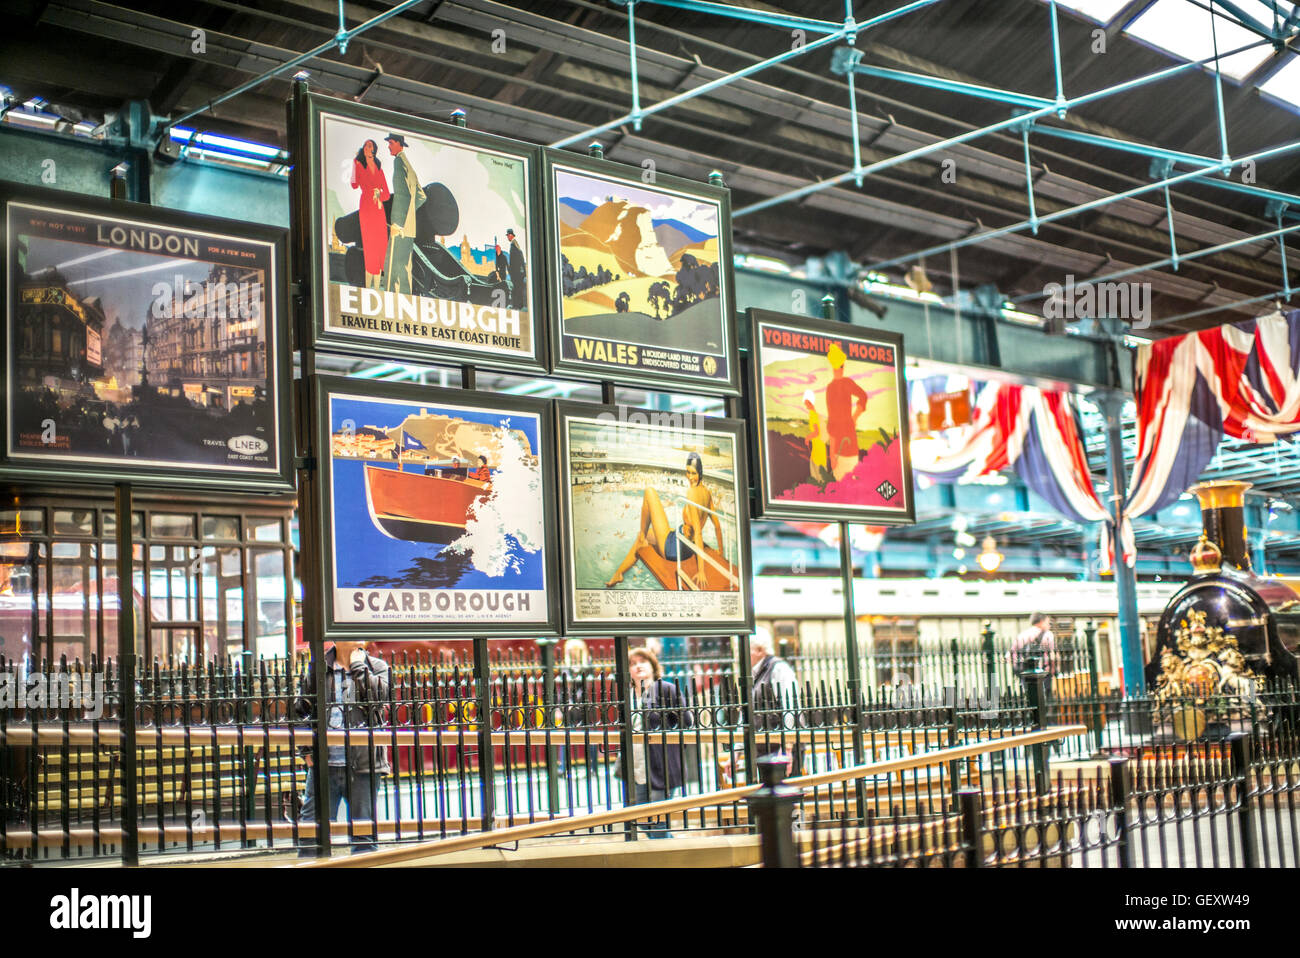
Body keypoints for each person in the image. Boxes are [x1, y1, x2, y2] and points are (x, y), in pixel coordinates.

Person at [295, 640, 391, 855]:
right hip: (323, 763)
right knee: (312, 833)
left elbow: (381, 699)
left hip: (363, 764)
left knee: (363, 834)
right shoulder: (319, 668)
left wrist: (358, 668)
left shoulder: (376, 667)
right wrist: (307, 752)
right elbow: (301, 710)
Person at [605, 452, 725, 591]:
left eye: (694, 473)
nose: (690, 477)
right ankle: (619, 574)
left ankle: (642, 537)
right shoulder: (707, 493)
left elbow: (697, 533)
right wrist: (721, 551)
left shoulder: (692, 493)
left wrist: (701, 571)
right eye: (688, 472)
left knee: (649, 492)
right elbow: (716, 525)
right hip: (682, 544)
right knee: (644, 537)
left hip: (674, 549)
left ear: (700, 473)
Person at [627, 647, 689, 838]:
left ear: (653, 666)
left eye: (642, 661)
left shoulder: (666, 689)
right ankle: (670, 848)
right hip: (636, 766)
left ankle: (667, 854)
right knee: (640, 818)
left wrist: (669, 746)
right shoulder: (627, 694)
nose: (638, 666)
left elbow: (685, 721)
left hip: (661, 765)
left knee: (658, 820)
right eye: (632, 663)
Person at [750, 626, 800, 774]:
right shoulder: (756, 672)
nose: (740, 654)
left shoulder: (779, 668)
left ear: (760, 650)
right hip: (765, 748)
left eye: (747, 649)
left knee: (788, 793)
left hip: (779, 749)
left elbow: (790, 706)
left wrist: (787, 747)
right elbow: (749, 711)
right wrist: (738, 751)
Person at [382, 133, 426, 295]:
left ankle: (389, 302)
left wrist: (400, 223)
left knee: (392, 266)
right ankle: (405, 300)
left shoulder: (399, 162)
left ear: (399, 144)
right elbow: (421, 196)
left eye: (391, 143)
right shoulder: (408, 165)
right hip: (409, 228)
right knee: (404, 267)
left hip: (399, 226)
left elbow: (406, 195)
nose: (388, 146)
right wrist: (409, 218)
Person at [823, 342, 868, 480]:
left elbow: (863, 396)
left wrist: (855, 416)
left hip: (848, 445)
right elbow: (832, 422)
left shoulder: (842, 384)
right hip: (841, 448)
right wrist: (832, 455)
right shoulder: (832, 387)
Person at [351, 139, 391, 289]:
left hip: (378, 210)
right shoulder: (359, 164)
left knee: (380, 245)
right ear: (364, 149)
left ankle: (378, 286)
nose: (370, 149)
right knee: (370, 246)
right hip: (367, 207)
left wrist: (379, 194)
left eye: (372, 147)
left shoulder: (379, 168)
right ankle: (368, 287)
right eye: (368, 146)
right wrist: (354, 164)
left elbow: (386, 193)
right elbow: (354, 184)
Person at [1010, 613, 1056, 697]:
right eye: (1048, 622)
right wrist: (1053, 670)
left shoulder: (1022, 635)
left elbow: (1012, 654)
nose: (1049, 625)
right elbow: (1052, 655)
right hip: (1043, 671)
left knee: (1030, 695)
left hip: (1026, 671)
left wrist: (1017, 669)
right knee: (1044, 696)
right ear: (1041, 621)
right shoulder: (1048, 635)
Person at [803, 389, 829, 484]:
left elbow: (816, 432)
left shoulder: (813, 415)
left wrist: (807, 438)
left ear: (809, 401)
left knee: (817, 472)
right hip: (819, 446)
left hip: (818, 447)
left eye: (806, 402)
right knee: (819, 471)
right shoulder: (816, 414)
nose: (805, 405)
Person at [505, 227, 526, 308]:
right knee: (518, 289)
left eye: (508, 236)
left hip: (516, 273)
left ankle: (516, 306)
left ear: (511, 235)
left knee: (516, 289)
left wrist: (510, 270)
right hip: (518, 273)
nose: (507, 237)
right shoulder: (515, 245)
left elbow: (514, 261)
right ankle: (518, 305)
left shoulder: (513, 246)